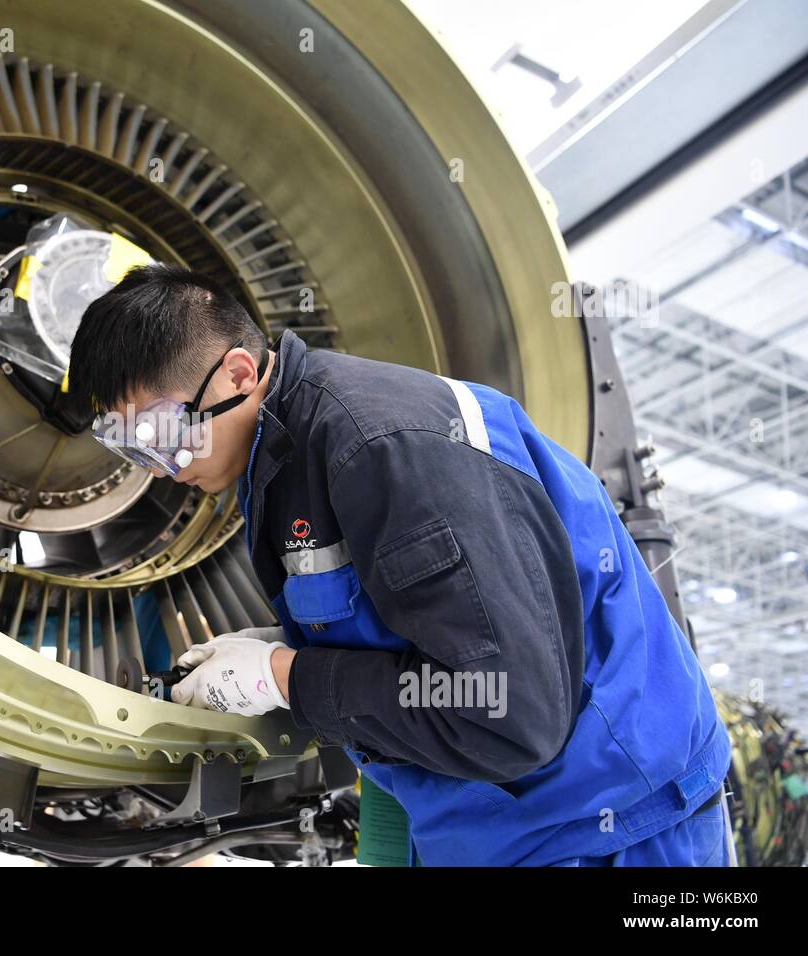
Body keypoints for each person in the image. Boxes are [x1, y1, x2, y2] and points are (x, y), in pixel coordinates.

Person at [67, 263, 733, 867]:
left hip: (611, 829)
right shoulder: (278, 457)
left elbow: (509, 713)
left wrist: (285, 677)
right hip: (494, 829)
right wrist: (285, 645)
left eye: (162, 437)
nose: (163, 470)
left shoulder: (385, 449)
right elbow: (414, 630)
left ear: (239, 375)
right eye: (134, 450)